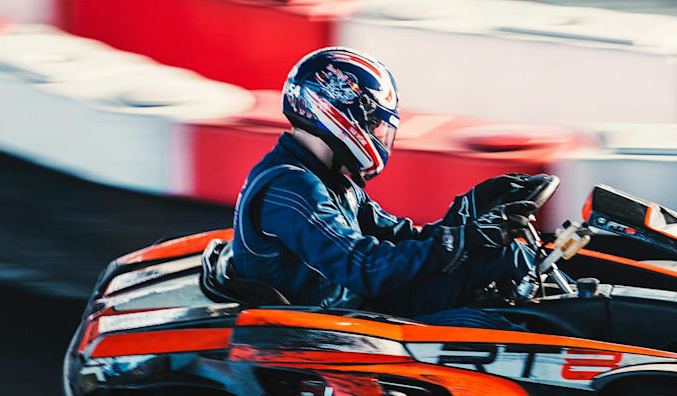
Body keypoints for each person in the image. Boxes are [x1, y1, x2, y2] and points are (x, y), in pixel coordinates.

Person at [227, 46, 538, 328]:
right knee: (488, 330)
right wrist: (462, 242)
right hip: (332, 332)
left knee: (505, 256)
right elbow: (365, 267)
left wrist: (470, 212)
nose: (379, 134)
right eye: (375, 124)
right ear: (339, 110)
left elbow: (399, 236)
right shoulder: (291, 188)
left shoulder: (328, 179)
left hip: (360, 310)